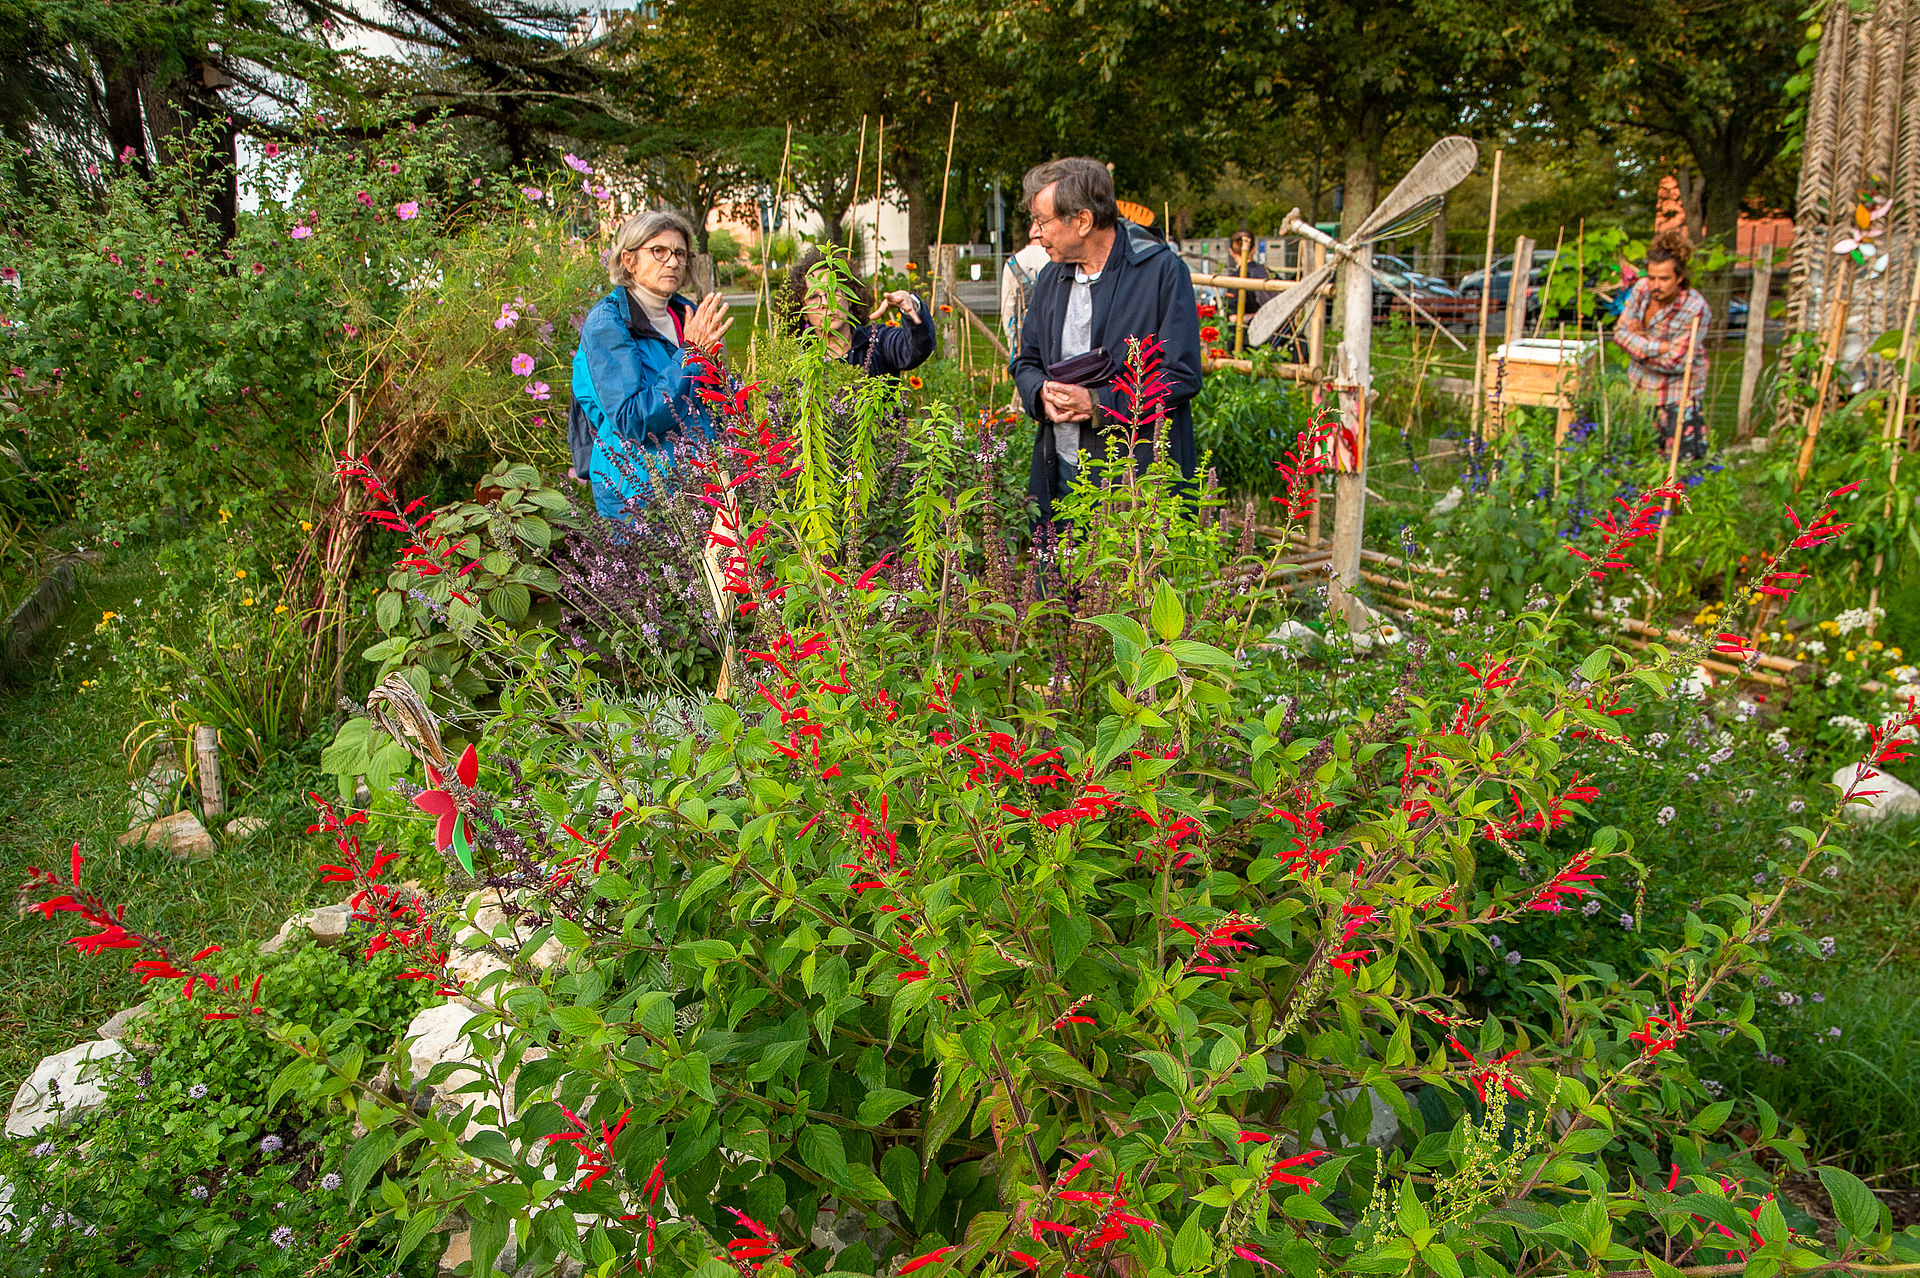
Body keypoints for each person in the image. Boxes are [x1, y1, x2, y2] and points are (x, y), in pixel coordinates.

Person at [1009, 157, 1203, 529]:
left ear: (1082, 221)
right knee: (1056, 584)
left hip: (1133, 484)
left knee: (1125, 585)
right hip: (1061, 472)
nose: (1035, 233)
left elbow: (1180, 374)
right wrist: (1040, 393)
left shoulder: (1159, 272)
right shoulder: (1052, 277)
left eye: (1043, 221)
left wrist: (1100, 403)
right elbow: (1026, 361)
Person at [572, 210, 734, 518]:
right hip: (643, 497)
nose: (672, 262)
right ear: (629, 260)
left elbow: (714, 399)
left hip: (704, 485)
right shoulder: (608, 324)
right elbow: (633, 419)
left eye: (679, 253)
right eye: (658, 251)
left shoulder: (687, 313)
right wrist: (691, 353)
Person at [1612, 228, 1712, 460]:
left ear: (1679, 278)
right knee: (1638, 460)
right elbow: (1619, 333)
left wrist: (1638, 343)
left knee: (1681, 466)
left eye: (1664, 278)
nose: (1656, 284)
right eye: (1652, 277)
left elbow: (1676, 362)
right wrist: (1660, 346)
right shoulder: (1641, 289)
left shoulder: (1695, 308)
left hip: (1677, 394)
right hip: (1639, 388)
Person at [781, 247, 936, 377]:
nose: (827, 304)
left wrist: (911, 307)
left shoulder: (877, 341)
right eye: (814, 297)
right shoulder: (797, 361)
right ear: (802, 311)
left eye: (833, 291)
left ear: (850, 297)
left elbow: (915, 350)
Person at [999, 223, 1052, 350]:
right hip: (1052, 336)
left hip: (1024, 336)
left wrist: (1013, 344)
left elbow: (1007, 308)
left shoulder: (1013, 262)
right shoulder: (1057, 259)